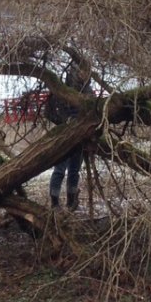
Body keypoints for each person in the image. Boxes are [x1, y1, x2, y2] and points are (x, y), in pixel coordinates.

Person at [48, 56, 93, 211]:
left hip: (80, 136)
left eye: (86, 71)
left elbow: (92, 111)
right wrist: (65, 121)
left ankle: (72, 202)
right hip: (64, 137)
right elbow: (53, 111)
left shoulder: (88, 90)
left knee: (74, 170)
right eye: (82, 71)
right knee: (60, 170)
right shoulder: (63, 89)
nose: (84, 74)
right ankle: (54, 203)